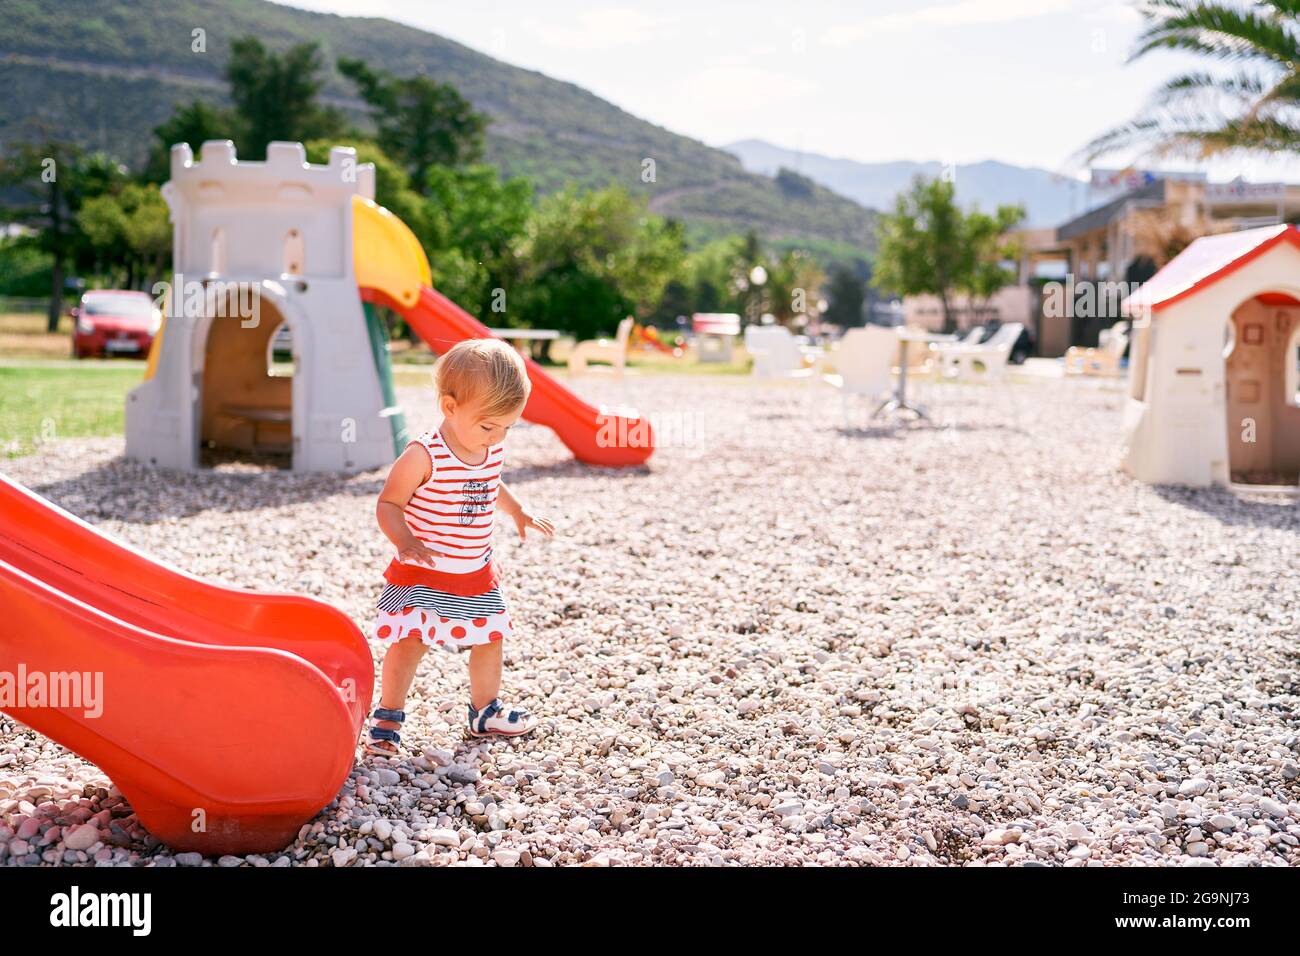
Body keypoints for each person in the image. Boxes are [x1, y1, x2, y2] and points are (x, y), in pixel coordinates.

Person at [364, 339, 555, 757]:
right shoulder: (424, 454)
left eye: (509, 427)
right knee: (411, 640)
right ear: (450, 407)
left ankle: (484, 711)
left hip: (473, 571)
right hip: (424, 572)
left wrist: (517, 510)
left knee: (490, 637)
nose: (498, 437)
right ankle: (387, 717)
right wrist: (405, 540)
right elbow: (389, 503)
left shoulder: (490, 446)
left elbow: (490, 482)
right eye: (489, 426)